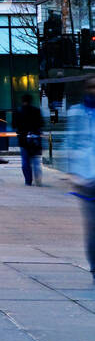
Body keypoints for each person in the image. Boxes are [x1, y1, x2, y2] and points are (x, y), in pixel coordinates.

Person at [68, 76, 95, 281]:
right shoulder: (76, 112)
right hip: (87, 177)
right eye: (91, 87)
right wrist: (74, 173)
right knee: (92, 226)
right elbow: (71, 141)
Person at [13, 92, 44, 187]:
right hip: (35, 139)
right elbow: (41, 123)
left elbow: (14, 125)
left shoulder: (18, 111)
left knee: (25, 161)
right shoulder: (36, 110)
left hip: (23, 139)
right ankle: (38, 179)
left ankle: (28, 180)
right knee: (36, 160)